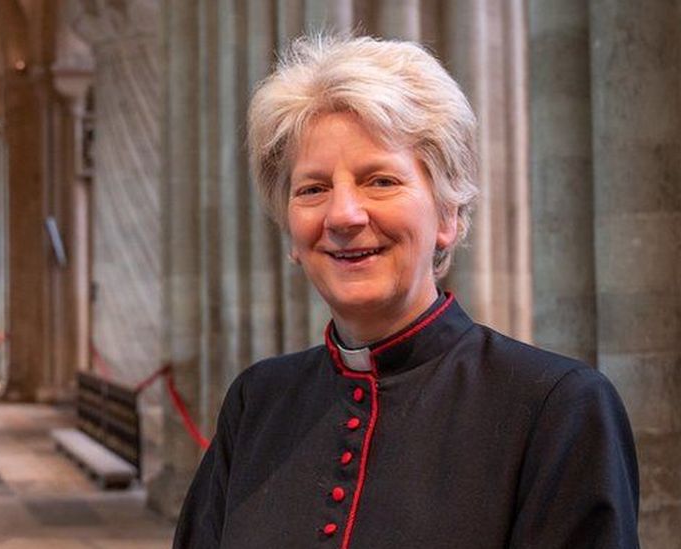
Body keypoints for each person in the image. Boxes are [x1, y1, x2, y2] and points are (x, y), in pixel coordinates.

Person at [173, 35, 639, 549]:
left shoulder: (558, 408)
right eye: (313, 188)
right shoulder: (256, 402)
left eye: (380, 181)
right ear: (290, 231)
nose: (344, 215)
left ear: (447, 213)